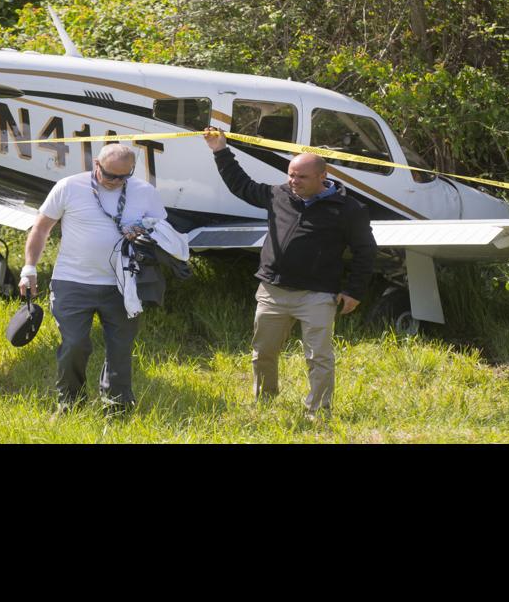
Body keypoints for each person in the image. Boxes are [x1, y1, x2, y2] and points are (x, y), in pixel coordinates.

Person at [202, 127, 377, 417]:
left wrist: (354, 291)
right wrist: (220, 150)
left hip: (318, 295)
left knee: (319, 357)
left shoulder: (349, 209)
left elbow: (366, 251)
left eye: (302, 177)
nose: (293, 182)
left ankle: (318, 412)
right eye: (291, 175)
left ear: (323, 176)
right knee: (263, 353)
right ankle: (265, 401)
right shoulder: (278, 195)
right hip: (273, 291)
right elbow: (241, 185)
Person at [20, 143, 167, 412]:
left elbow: (161, 228)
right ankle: (70, 404)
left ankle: (117, 407)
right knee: (74, 344)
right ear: (96, 165)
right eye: (110, 175)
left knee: (120, 349)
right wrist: (29, 268)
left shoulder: (145, 192)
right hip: (73, 281)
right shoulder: (69, 186)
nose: (116, 182)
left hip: (123, 285)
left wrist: (144, 230)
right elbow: (41, 228)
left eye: (124, 177)